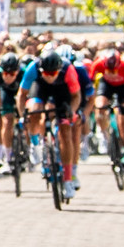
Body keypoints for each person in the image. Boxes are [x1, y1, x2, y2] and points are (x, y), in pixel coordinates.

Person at [18, 49, 82, 201]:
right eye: (46, 73)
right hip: (40, 89)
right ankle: (35, 144)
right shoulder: (33, 68)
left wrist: (71, 113)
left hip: (63, 92)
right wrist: (23, 116)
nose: (49, 77)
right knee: (34, 111)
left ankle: (67, 180)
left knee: (65, 131)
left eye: (53, 74)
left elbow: (76, 96)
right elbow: (21, 94)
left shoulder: (68, 69)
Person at [90, 48, 124, 181]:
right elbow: (90, 85)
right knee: (100, 105)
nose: (112, 73)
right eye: (109, 70)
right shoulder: (98, 64)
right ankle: (104, 135)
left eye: (114, 70)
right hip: (106, 86)